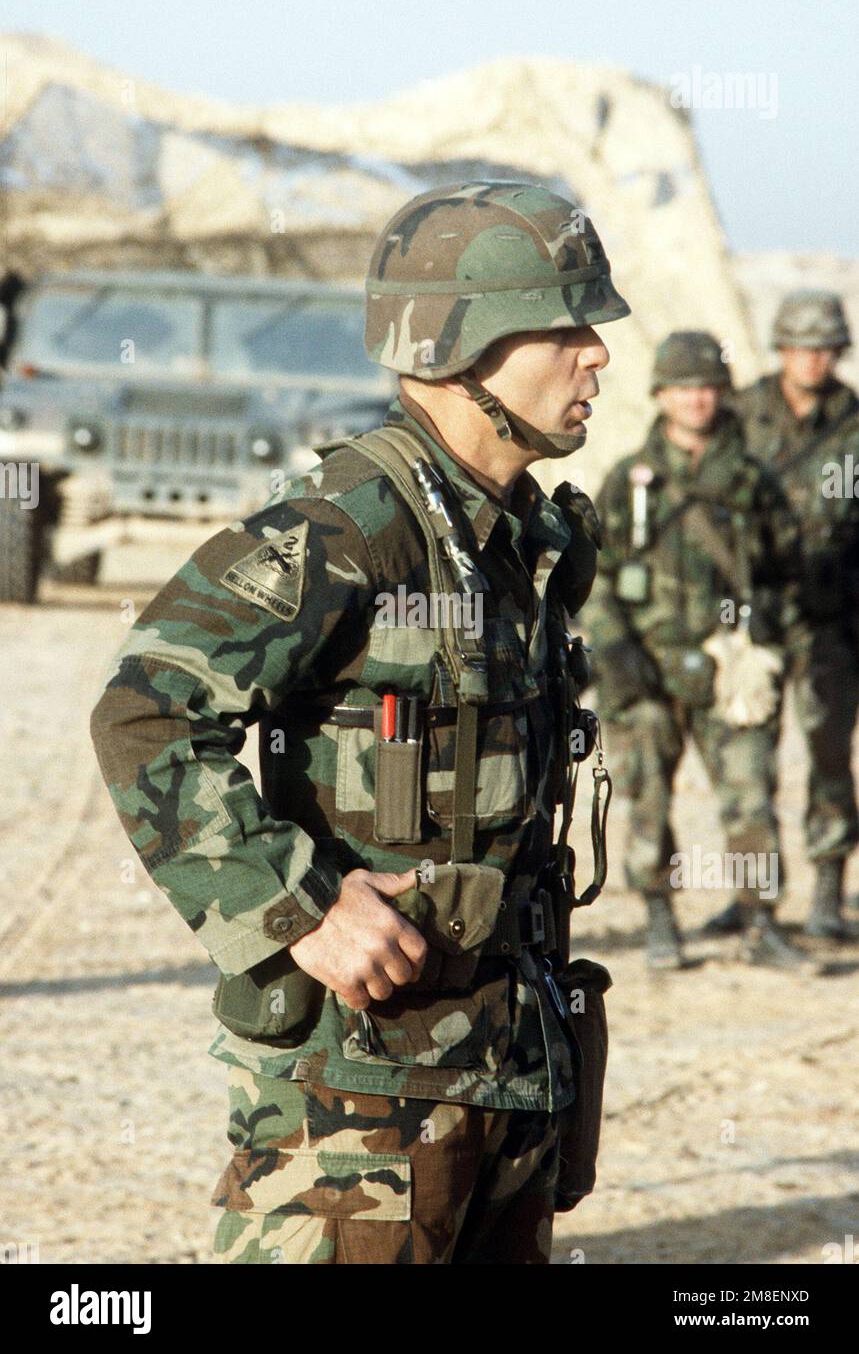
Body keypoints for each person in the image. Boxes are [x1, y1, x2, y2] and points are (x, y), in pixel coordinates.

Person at [89, 180, 628, 1265]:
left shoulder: (522, 540)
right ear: (460, 350)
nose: (596, 354)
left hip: (505, 1078)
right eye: (562, 326)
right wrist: (302, 909)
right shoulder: (347, 529)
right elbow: (148, 708)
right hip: (355, 1117)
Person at [585, 330, 813, 972]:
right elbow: (594, 578)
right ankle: (661, 920)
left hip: (728, 670)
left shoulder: (751, 481)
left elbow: (784, 570)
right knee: (647, 798)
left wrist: (767, 644)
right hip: (649, 671)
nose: (697, 400)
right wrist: (615, 650)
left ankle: (760, 920)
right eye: (683, 387)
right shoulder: (630, 481)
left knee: (750, 796)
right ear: (661, 395)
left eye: (708, 387)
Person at [725, 291, 859, 940]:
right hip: (755, 616)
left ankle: (829, 889)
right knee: (747, 759)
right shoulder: (740, 416)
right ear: (780, 348)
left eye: (824, 347)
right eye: (801, 346)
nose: (812, 358)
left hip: (831, 621)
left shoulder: (854, 424)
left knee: (828, 754)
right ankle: (753, 900)